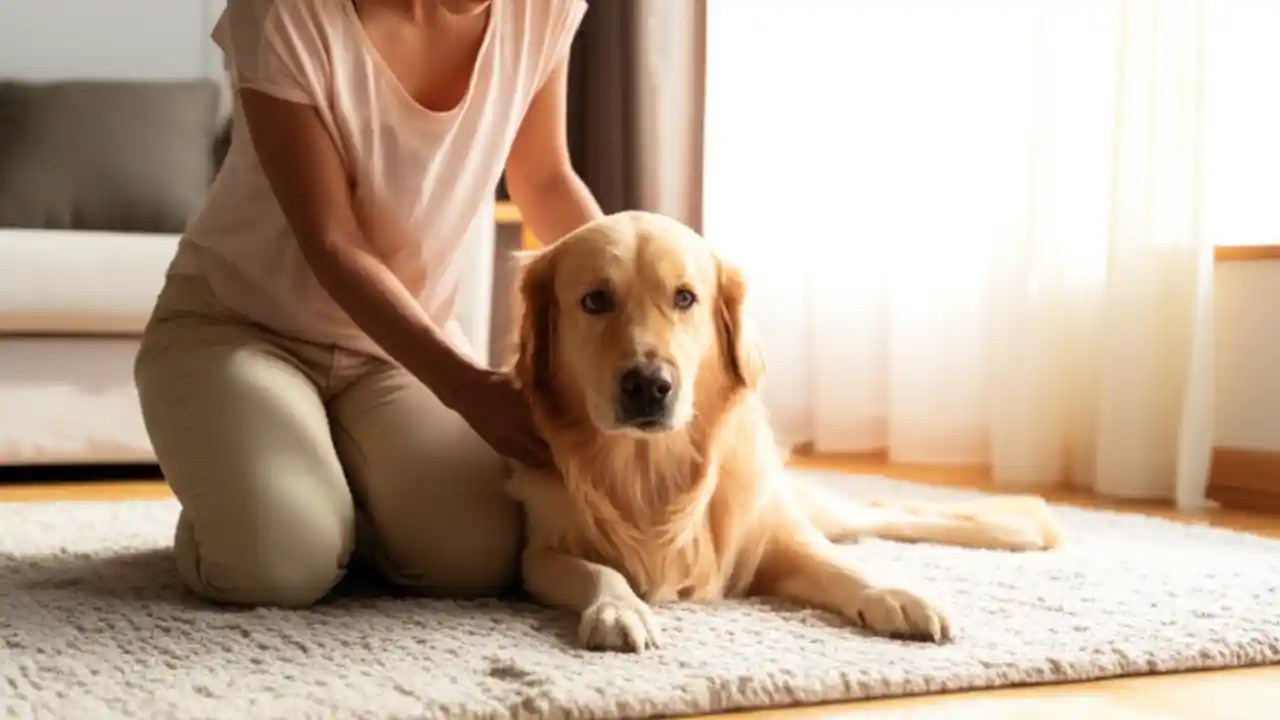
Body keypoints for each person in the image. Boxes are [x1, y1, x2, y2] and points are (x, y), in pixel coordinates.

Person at [134, 0, 602, 608]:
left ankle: (317, 498)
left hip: (394, 350)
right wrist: (466, 385)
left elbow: (544, 178)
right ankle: (251, 514)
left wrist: (638, 301)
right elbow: (332, 241)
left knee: (475, 559)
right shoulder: (283, 12)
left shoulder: (541, 8)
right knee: (275, 568)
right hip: (239, 329)